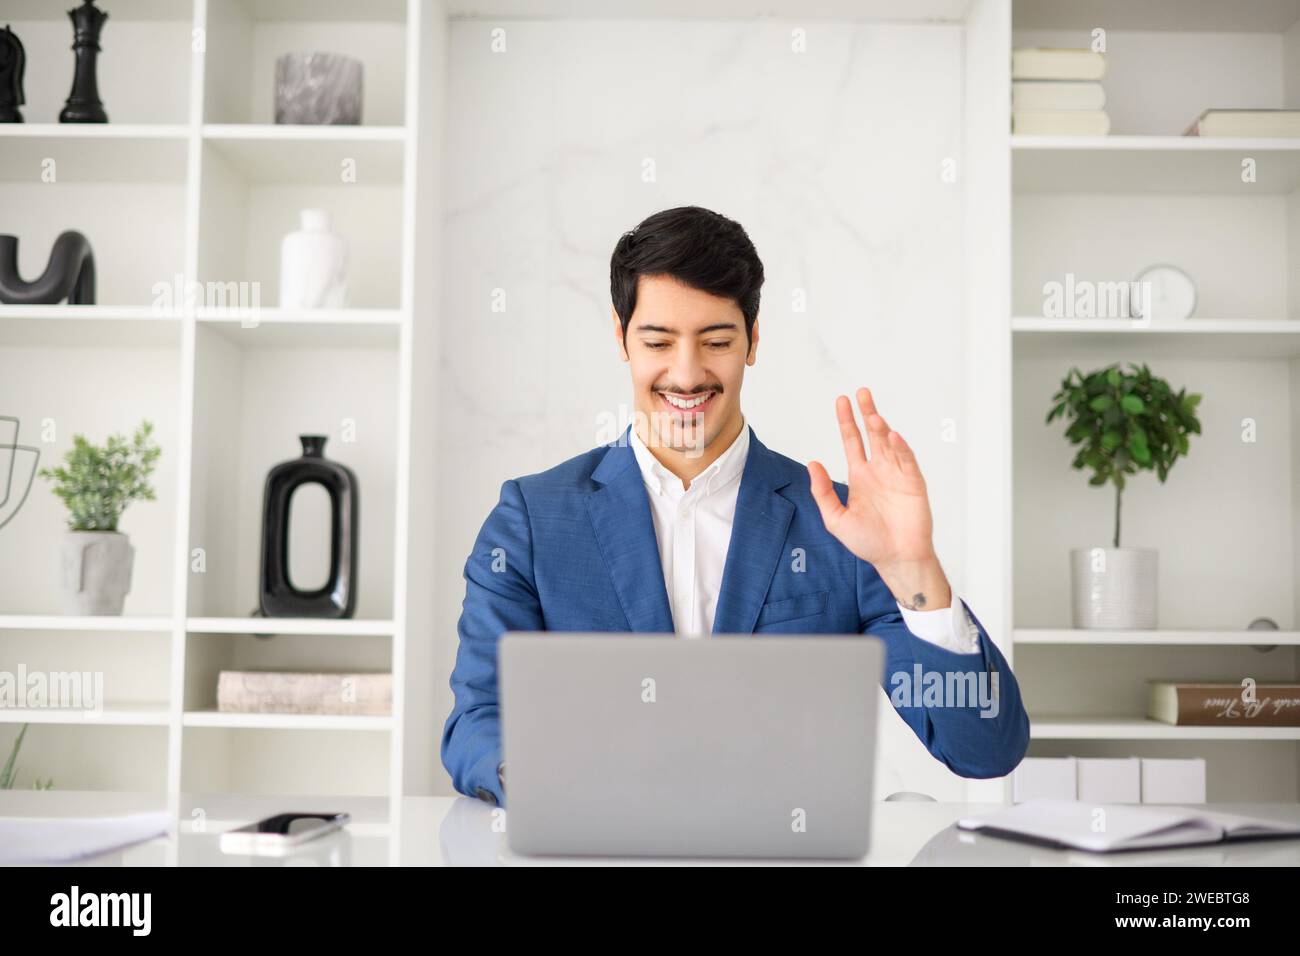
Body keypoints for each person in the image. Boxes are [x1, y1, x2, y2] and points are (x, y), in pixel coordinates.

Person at [442, 205, 1029, 806]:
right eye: (658, 341)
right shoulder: (533, 519)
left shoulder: (843, 529)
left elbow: (984, 750)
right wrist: (539, 781)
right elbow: (477, 721)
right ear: (621, 338)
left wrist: (913, 572)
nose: (688, 373)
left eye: (716, 340)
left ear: (752, 340)